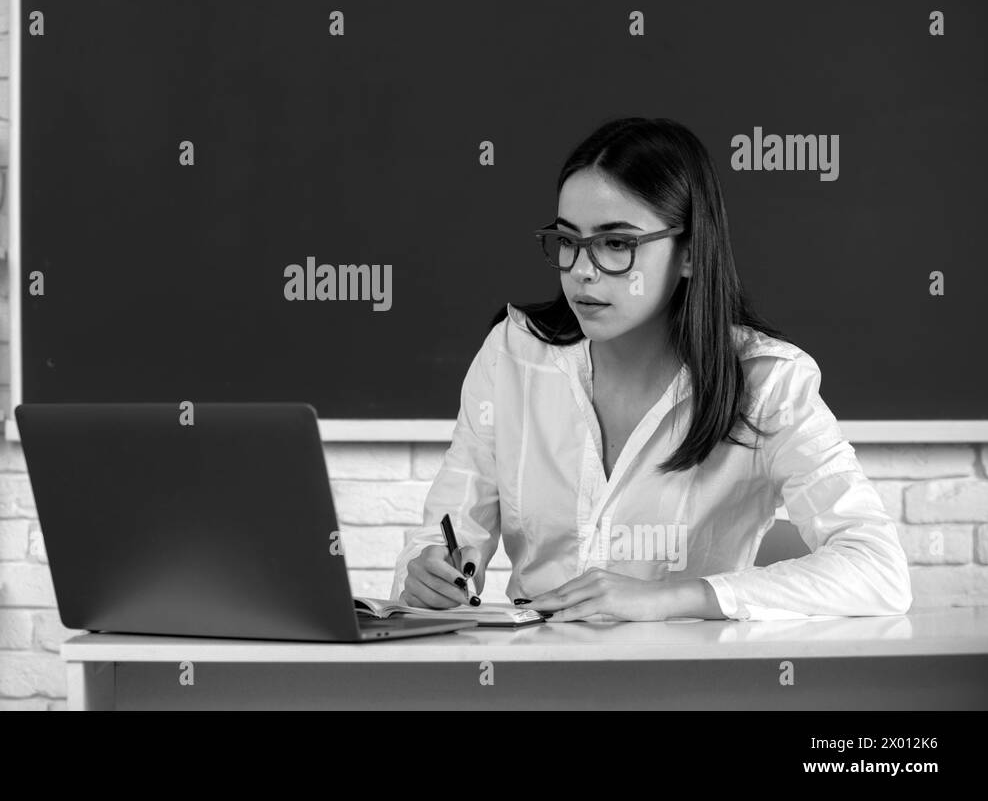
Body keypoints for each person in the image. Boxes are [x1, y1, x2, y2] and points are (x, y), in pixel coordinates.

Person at [389, 117, 912, 621]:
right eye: (568, 241)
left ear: (689, 253)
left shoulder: (768, 382)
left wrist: (665, 600)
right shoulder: (513, 353)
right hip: (531, 675)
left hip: (688, 683)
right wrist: (429, 574)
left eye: (616, 243)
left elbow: (878, 568)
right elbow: (446, 536)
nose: (582, 271)